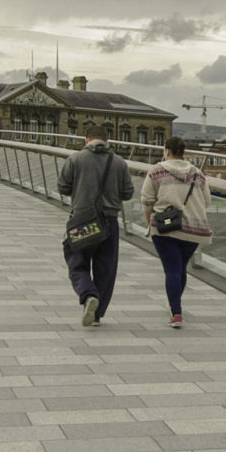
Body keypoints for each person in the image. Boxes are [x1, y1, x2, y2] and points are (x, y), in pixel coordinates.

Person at [58, 122, 134, 326]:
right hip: (109, 221)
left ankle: (87, 293)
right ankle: (97, 314)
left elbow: (63, 187)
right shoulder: (119, 162)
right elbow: (128, 193)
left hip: (82, 220)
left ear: (86, 140)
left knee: (76, 260)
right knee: (106, 269)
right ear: (107, 141)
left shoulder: (75, 158)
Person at [140, 135, 213, 328]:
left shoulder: (156, 171)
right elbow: (208, 201)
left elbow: (147, 199)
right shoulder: (197, 173)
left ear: (167, 151)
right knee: (180, 268)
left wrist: (149, 220)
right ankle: (175, 305)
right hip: (194, 229)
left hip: (166, 228)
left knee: (172, 270)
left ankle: (176, 313)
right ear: (183, 153)